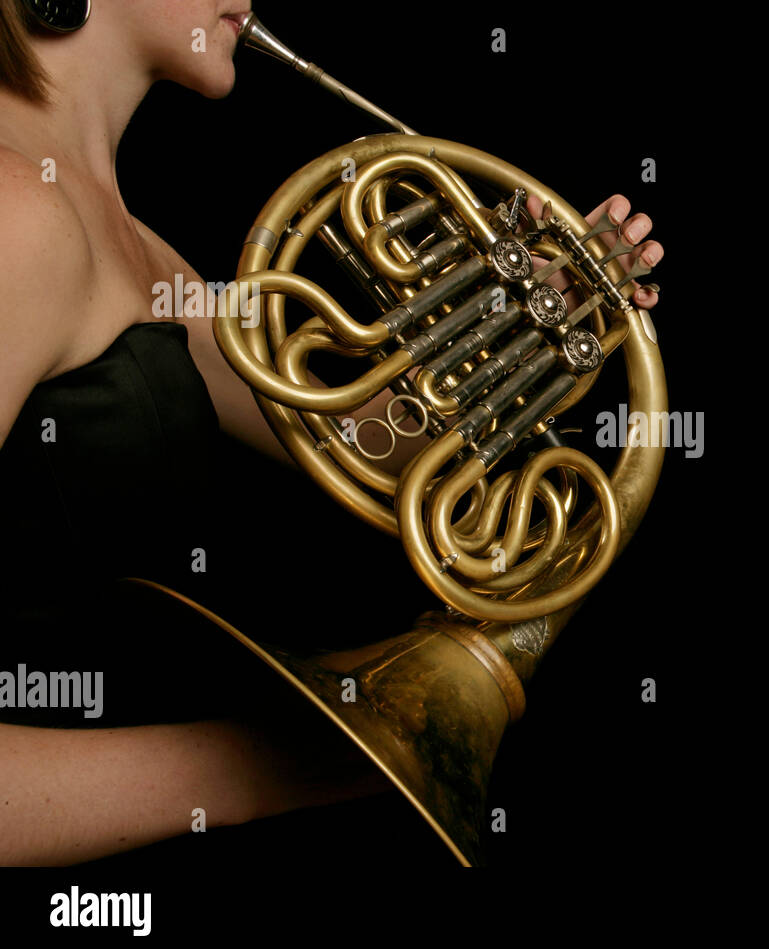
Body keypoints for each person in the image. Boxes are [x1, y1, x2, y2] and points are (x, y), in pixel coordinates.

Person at [0, 0, 662, 866]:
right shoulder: (20, 219)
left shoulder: (125, 243)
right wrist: (284, 763)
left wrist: (527, 321)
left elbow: (359, 445)